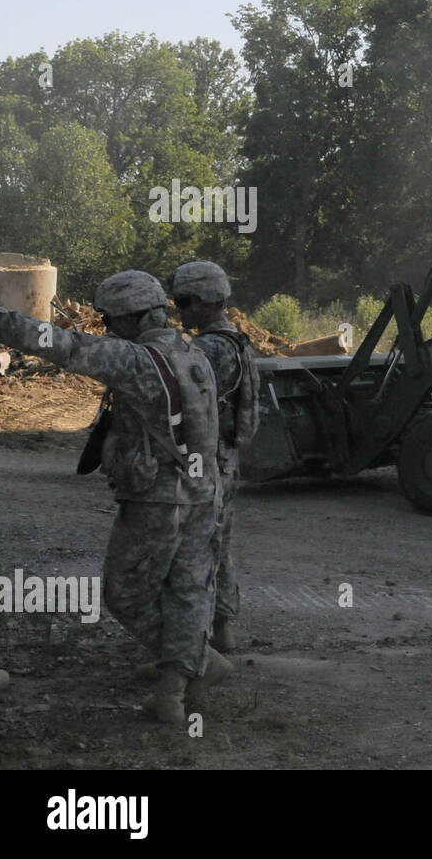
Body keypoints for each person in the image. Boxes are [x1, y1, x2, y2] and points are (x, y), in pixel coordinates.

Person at [0, 270, 229, 723]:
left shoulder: (137, 360)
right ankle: (174, 691)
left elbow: (60, 344)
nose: (105, 328)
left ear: (131, 318)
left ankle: (193, 662)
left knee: (124, 592)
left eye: (108, 320)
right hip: (204, 493)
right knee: (185, 593)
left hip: (159, 498)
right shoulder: (192, 352)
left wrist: (1, 320)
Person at [168, 261, 260, 652]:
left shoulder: (209, 349)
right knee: (220, 545)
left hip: (208, 460)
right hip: (227, 457)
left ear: (207, 301)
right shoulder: (238, 341)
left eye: (185, 301)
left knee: (197, 550)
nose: (180, 310)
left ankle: (197, 646)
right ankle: (223, 631)